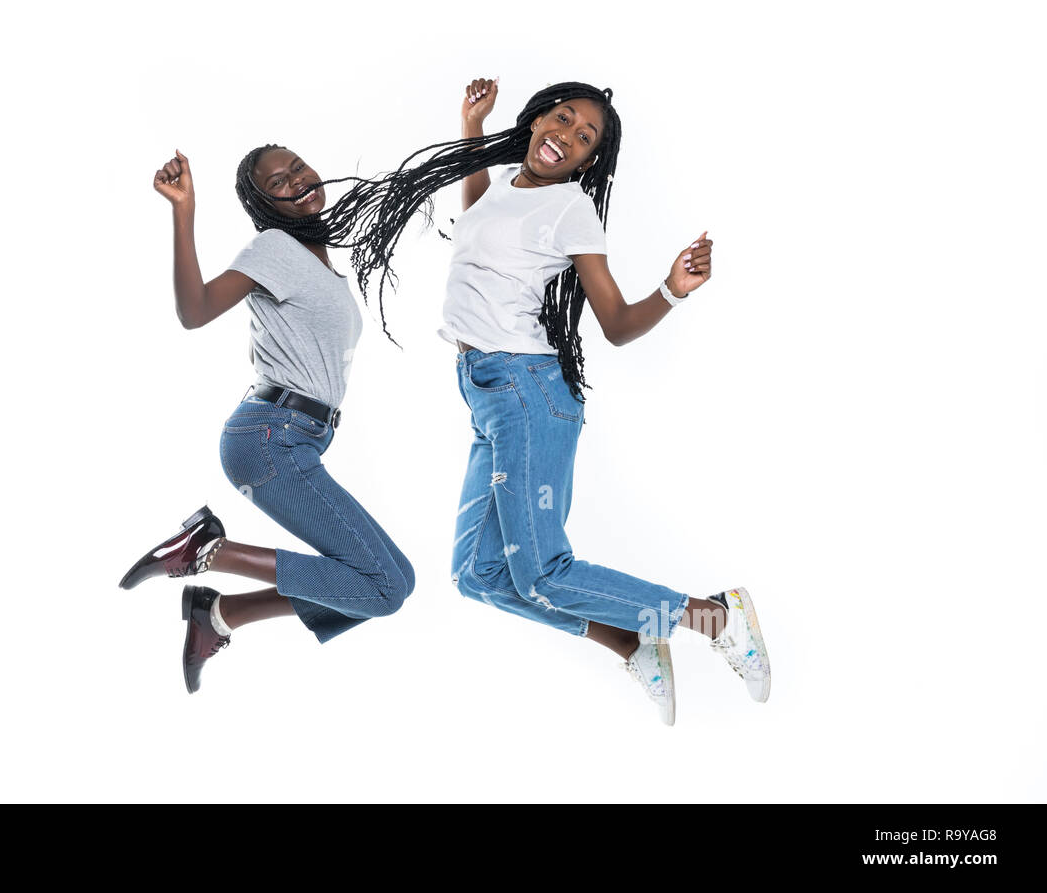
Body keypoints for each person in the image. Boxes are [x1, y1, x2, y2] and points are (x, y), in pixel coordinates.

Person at [344, 79, 770, 724]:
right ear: (538, 116)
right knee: (477, 576)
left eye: (583, 137)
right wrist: (470, 126)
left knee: (542, 570)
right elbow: (480, 214)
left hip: (527, 392)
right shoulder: (503, 191)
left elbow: (619, 323)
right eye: (562, 119)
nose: (565, 137)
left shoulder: (571, 209)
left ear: (589, 160)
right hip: (485, 391)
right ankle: (628, 641)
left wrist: (673, 289)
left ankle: (713, 616)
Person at [119, 146, 414, 693]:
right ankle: (206, 551)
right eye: (279, 181)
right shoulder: (274, 249)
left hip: (296, 438)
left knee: (394, 580)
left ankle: (221, 615)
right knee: (382, 589)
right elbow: (196, 310)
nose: (297, 180)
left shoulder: (316, 256)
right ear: (262, 202)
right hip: (270, 438)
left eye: (298, 167)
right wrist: (184, 212)